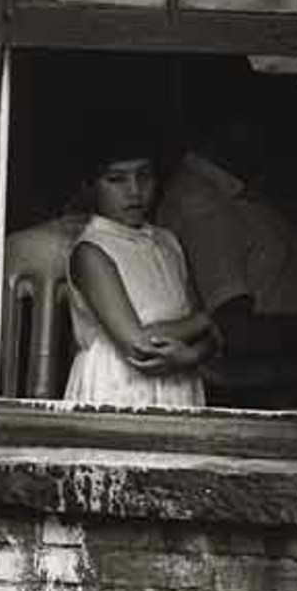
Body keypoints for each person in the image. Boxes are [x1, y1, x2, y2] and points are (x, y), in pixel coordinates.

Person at [157, 112, 297, 409]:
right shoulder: (204, 206)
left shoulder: (234, 192)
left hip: (276, 382)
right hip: (252, 393)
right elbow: (234, 328)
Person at [61, 140, 219, 411]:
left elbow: (212, 336)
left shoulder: (168, 242)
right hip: (117, 387)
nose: (134, 191)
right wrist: (204, 320)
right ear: (91, 186)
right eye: (116, 179)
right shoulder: (91, 251)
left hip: (179, 383)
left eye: (144, 176)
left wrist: (191, 354)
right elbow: (139, 347)